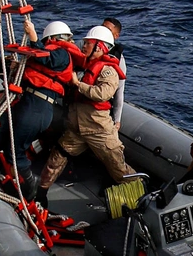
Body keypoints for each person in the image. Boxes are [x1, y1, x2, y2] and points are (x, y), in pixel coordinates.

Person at [38, 25, 133, 194]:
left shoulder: (108, 70)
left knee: (118, 167)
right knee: (56, 159)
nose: (83, 46)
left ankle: (141, 192)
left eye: (88, 43)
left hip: (98, 128)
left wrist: (77, 85)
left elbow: (104, 93)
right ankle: (41, 192)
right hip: (77, 128)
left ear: (100, 46)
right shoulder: (83, 67)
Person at [0, 20, 80, 200]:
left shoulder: (62, 54)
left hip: (38, 108)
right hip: (28, 103)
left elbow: (47, 58)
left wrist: (33, 36)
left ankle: (30, 190)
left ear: (53, 38)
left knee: (14, 151)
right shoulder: (48, 55)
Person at [102, 17, 126, 129]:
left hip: (101, 106)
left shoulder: (118, 58)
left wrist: (117, 120)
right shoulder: (84, 46)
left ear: (116, 36)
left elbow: (119, 90)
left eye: (108, 30)